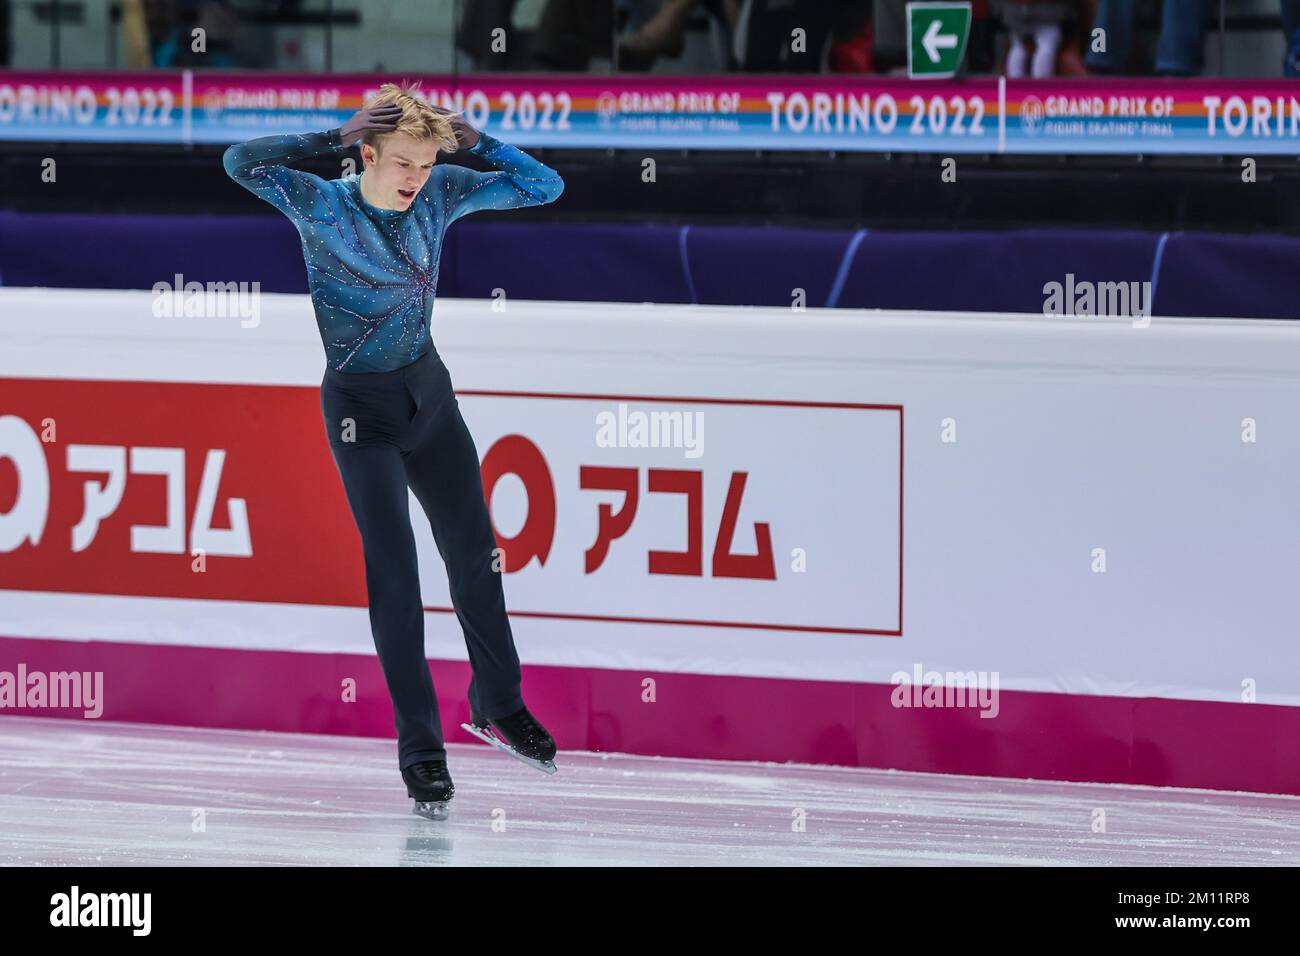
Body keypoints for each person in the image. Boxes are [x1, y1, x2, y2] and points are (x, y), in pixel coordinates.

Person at [221, 83, 564, 820]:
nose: (417, 178)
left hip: (430, 399)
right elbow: (239, 161)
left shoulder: (441, 192)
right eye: (404, 162)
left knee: (476, 554)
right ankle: (422, 754)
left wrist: (481, 145)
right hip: (360, 413)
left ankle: (499, 705)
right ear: (366, 154)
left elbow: (545, 186)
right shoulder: (320, 204)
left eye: (427, 163)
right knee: (397, 578)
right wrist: (331, 134)